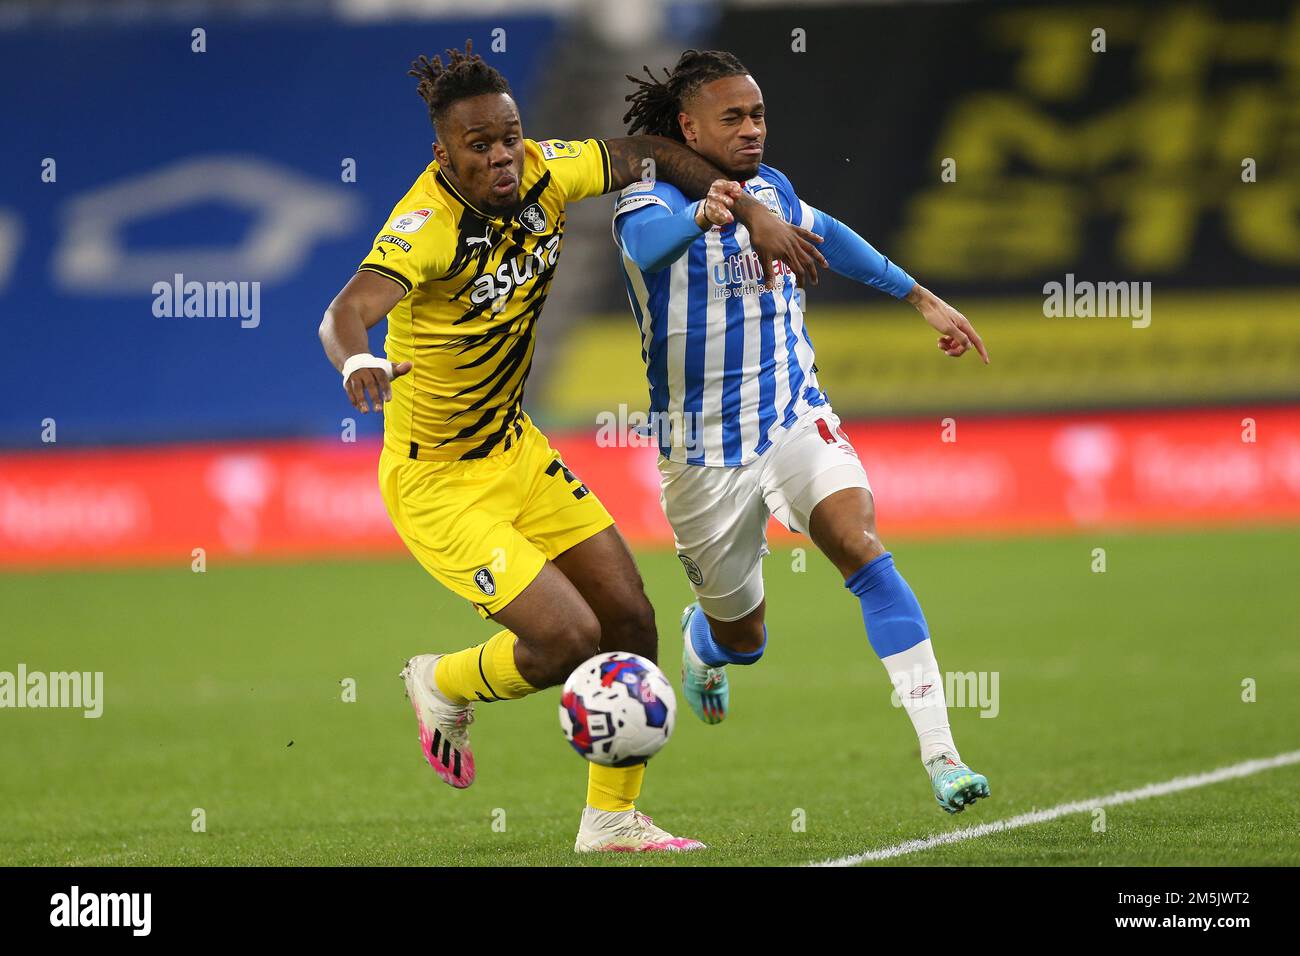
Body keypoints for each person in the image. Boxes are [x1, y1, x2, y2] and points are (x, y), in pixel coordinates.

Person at [317, 42, 825, 852]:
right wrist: (362, 359)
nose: (502, 158)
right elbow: (345, 312)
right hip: (439, 482)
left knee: (631, 617)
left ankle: (611, 819)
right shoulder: (425, 227)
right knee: (566, 640)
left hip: (515, 453)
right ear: (443, 155)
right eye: (479, 146)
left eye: (509, 137)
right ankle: (441, 680)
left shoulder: (552, 169)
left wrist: (751, 206)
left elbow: (650, 154)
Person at [612, 49, 992, 814]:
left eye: (758, 115)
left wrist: (918, 296)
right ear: (688, 127)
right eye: (734, 118)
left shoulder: (774, 188)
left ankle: (942, 754)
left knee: (862, 547)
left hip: (794, 415)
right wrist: (704, 214)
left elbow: (834, 235)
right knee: (744, 637)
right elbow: (645, 250)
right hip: (704, 456)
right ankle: (704, 645)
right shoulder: (646, 202)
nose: (753, 130)